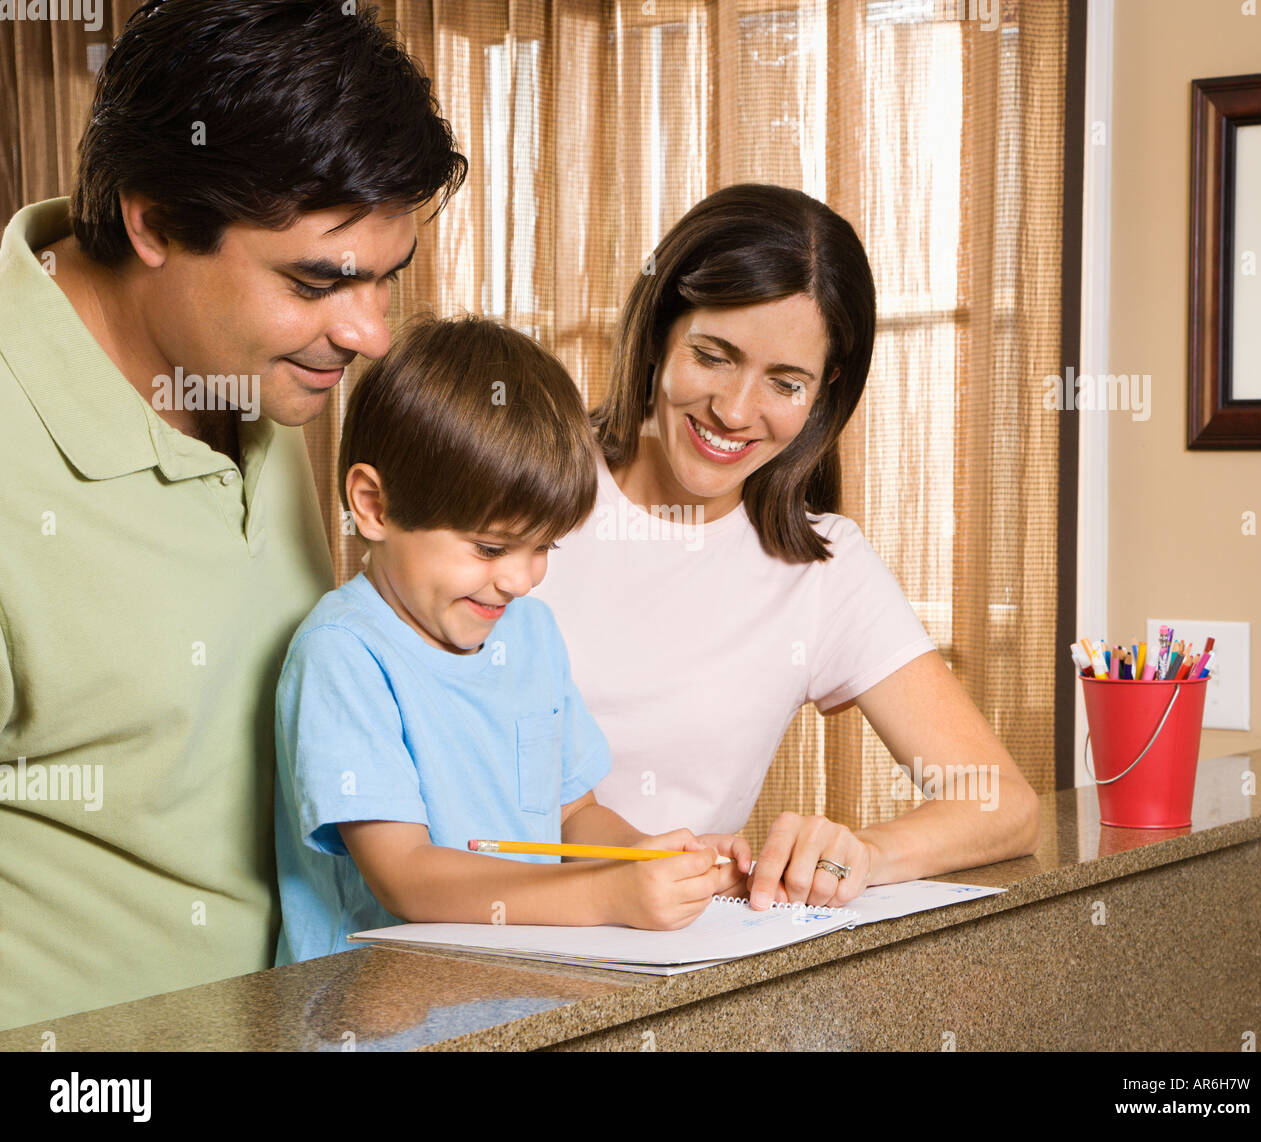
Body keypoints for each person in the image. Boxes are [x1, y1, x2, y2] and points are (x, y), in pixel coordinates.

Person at [0, 0, 466, 1030]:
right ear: (153, 219)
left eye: (389, 280)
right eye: (317, 281)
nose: (371, 334)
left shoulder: (244, 378)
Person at [532, 183, 1040, 913]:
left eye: (785, 382)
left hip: (670, 970)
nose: (735, 411)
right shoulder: (521, 486)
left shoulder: (820, 567)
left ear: (824, 390)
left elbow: (1003, 803)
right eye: (713, 356)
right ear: (659, 336)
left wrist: (863, 853)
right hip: (473, 940)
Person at [275, 315, 749, 964]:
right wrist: (609, 896)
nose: (522, 580)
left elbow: (574, 815)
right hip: (373, 1019)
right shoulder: (343, 653)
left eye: (543, 547)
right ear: (374, 506)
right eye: (492, 547)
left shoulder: (529, 633)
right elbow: (406, 876)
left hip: (511, 998)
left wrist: (659, 856)